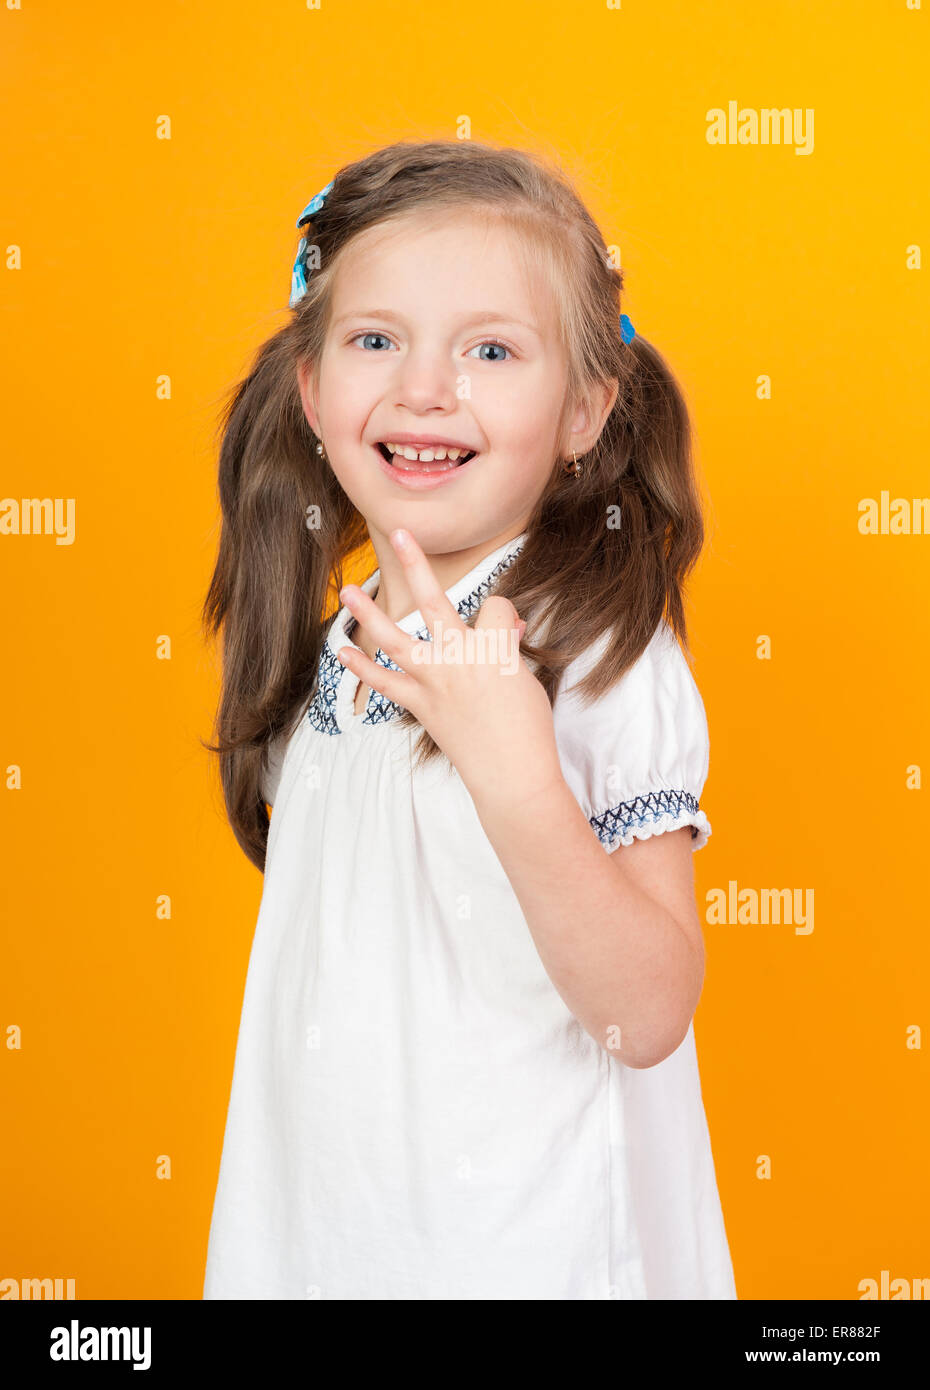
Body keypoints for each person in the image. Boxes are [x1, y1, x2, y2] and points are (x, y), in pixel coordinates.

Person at [201, 139, 737, 1300]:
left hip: (523, 1253)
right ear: (312, 385)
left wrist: (517, 773)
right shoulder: (335, 642)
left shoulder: (594, 651)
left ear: (588, 407)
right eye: (376, 340)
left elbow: (647, 1013)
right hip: (329, 1242)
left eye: (491, 349)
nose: (424, 389)